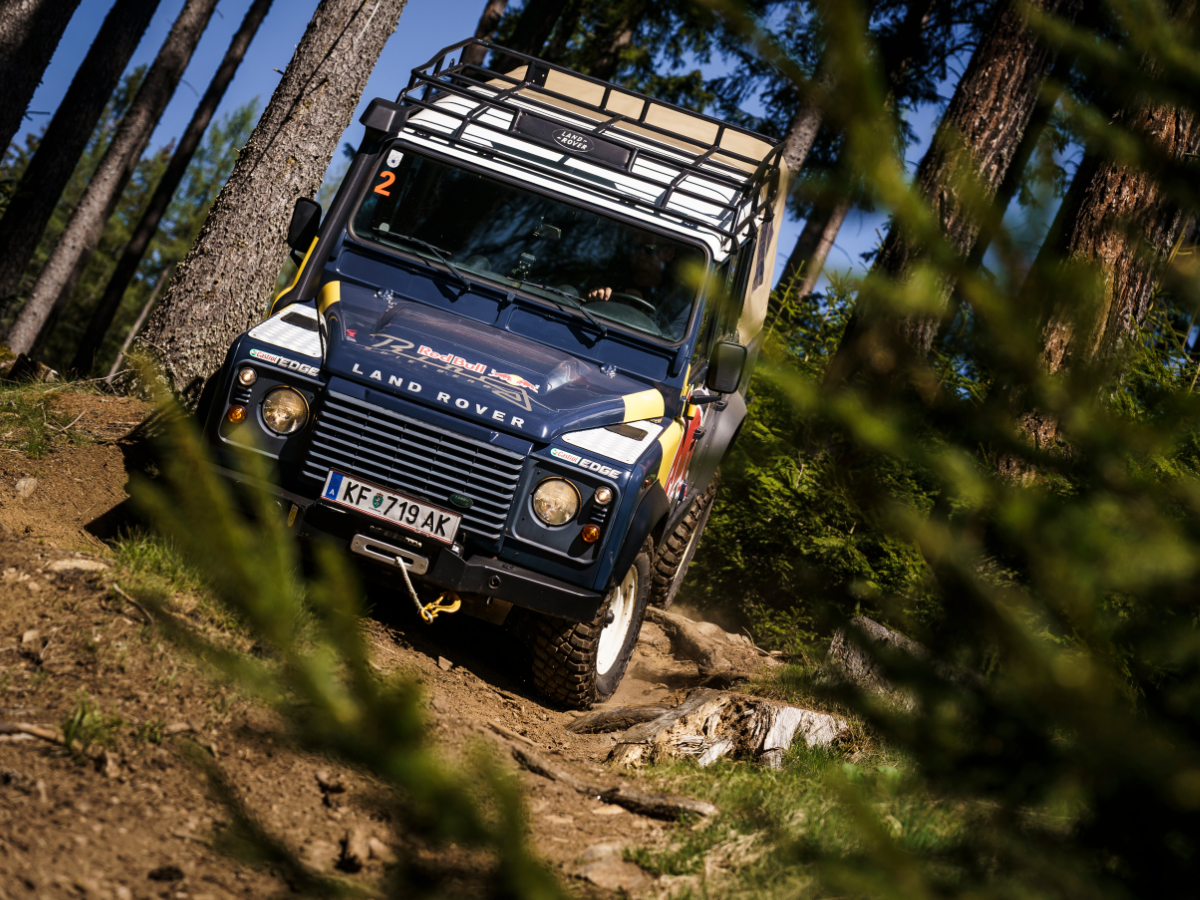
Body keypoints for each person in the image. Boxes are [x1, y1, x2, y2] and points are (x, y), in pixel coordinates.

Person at [586, 231, 692, 339]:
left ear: (669, 253)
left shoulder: (679, 304)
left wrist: (642, 316)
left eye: (650, 249)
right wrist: (597, 299)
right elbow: (575, 302)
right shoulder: (608, 277)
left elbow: (670, 344)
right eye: (635, 247)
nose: (640, 255)